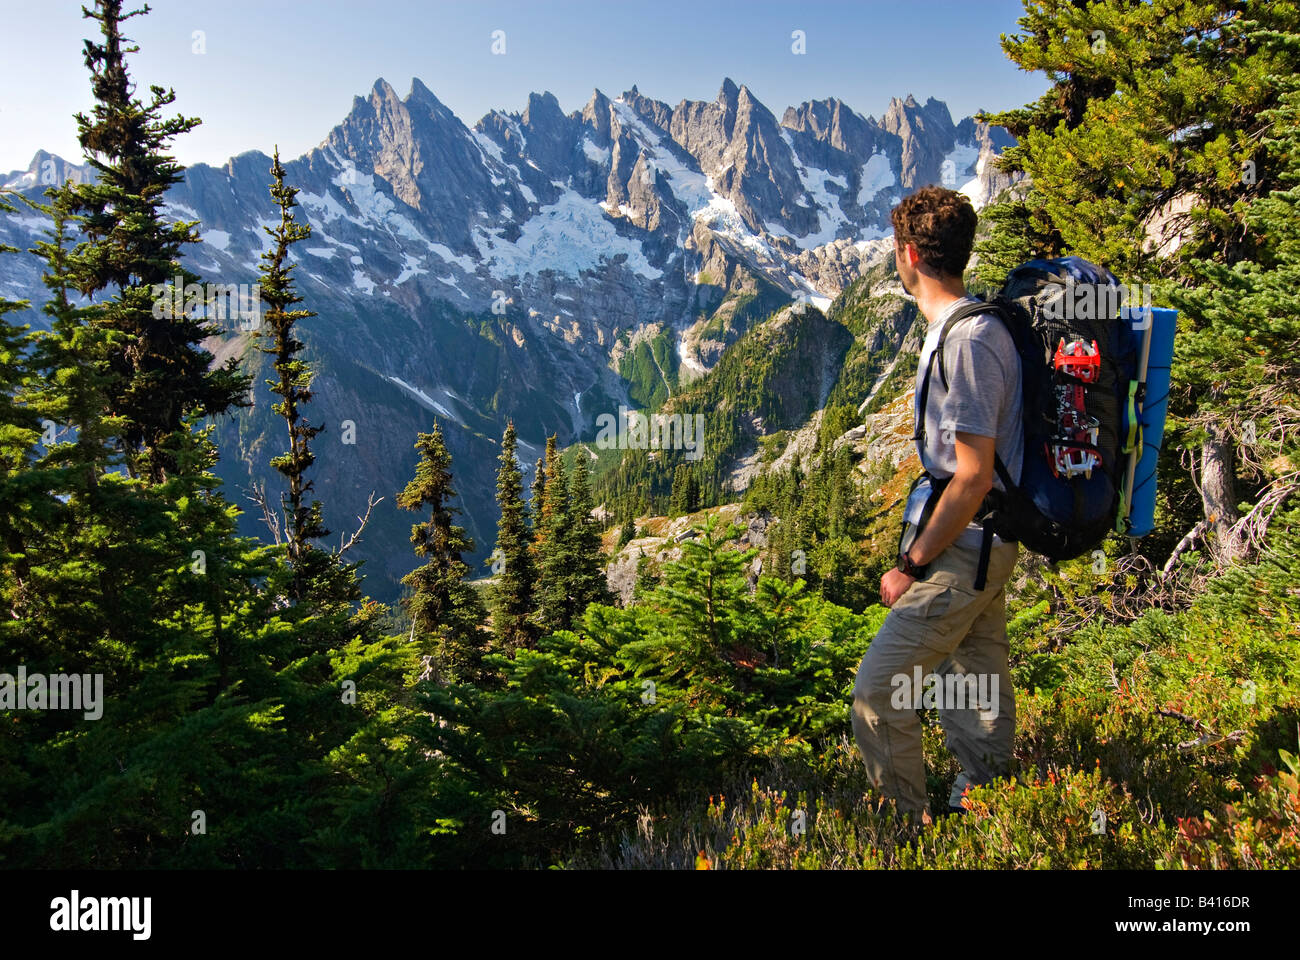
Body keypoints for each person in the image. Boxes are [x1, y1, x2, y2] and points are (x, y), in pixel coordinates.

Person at [851, 185, 1023, 824]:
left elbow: (973, 476)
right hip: (983, 547)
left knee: (876, 692)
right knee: (975, 678)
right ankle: (989, 810)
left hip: (964, 549)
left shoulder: (968, 341)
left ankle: (905, 829)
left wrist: (913, 564)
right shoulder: (964, 327)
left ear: (907, 256)